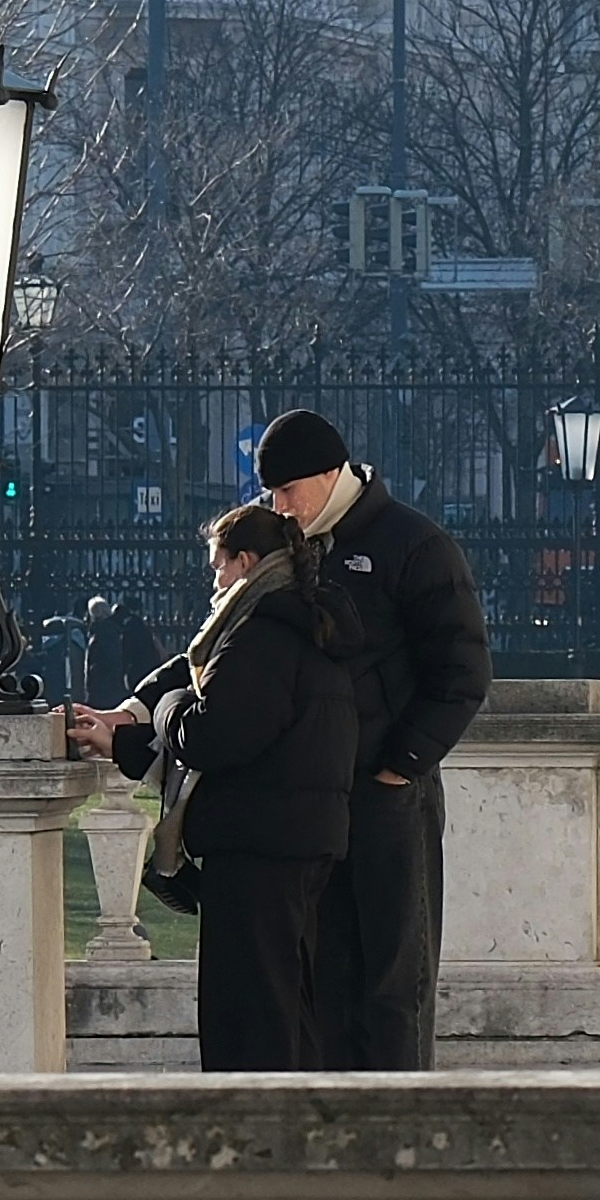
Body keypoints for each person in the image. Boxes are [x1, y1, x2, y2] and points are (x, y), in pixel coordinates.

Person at [70, 502, 367, 1073]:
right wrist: (131, 730)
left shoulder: (258, 635)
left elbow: (214, 736)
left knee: (252, 1015)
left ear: (245, 561)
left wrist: (171, 708)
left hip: (258, 846)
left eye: (217, 566)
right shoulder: (304, 625)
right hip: (298, 838)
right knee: (289, 1004)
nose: (214, 580)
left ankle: (257, 1138)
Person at [252, 412, 487, 1069]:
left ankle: (398, 1135)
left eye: (288, 490)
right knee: (325, 976)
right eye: (270, 494)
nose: (279, 507)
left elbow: (464, 672)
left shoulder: (415, 545)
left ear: (331, 475)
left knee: (394, 978)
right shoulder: (286, 545)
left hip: (389, 797)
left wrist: (401, 767)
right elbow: (224, 641)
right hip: (316, 799)